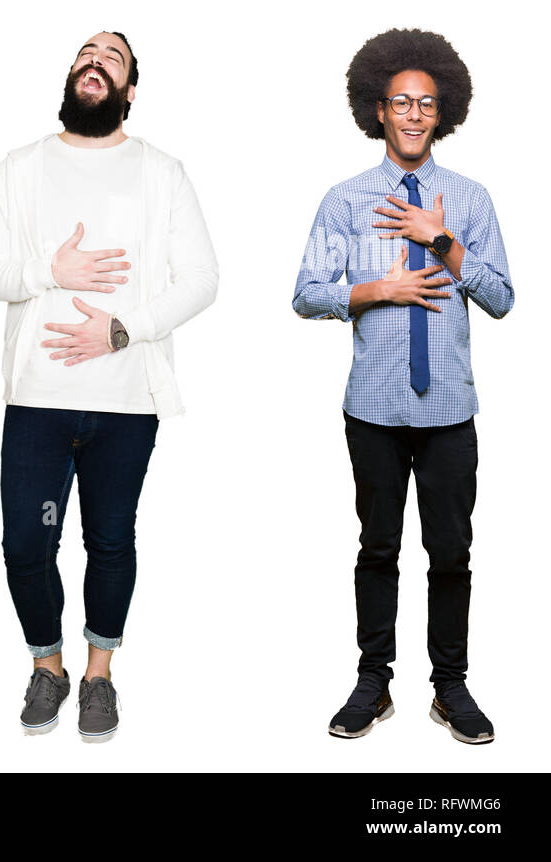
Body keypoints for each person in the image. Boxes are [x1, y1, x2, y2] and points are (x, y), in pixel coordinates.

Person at [0, 31, 217, 741]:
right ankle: (47, 663)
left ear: (130, 89)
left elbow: (203, 279)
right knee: (27, 544)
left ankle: (99, 675)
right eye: (87, 52)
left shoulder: (162, 172)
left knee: (110, 540)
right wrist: (50, 271)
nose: (96, 60)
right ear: (72, 77)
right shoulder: (20, 169)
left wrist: (124, 328)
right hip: (39, 399)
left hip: (126, 401)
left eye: (113, 57)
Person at [294, 28, 512, 745]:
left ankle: (450, 688)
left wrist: (442, 241)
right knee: (377, 548)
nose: (414, 114)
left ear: (442, 110)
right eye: (400, 102)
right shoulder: (347, 201)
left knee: (451, 552)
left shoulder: (470, 200)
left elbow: (504, 297)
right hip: (374, 411)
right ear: (377, 110)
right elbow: (306, 293)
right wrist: (379, 288)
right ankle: (373, 681)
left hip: (450, 409)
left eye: (427, 102)